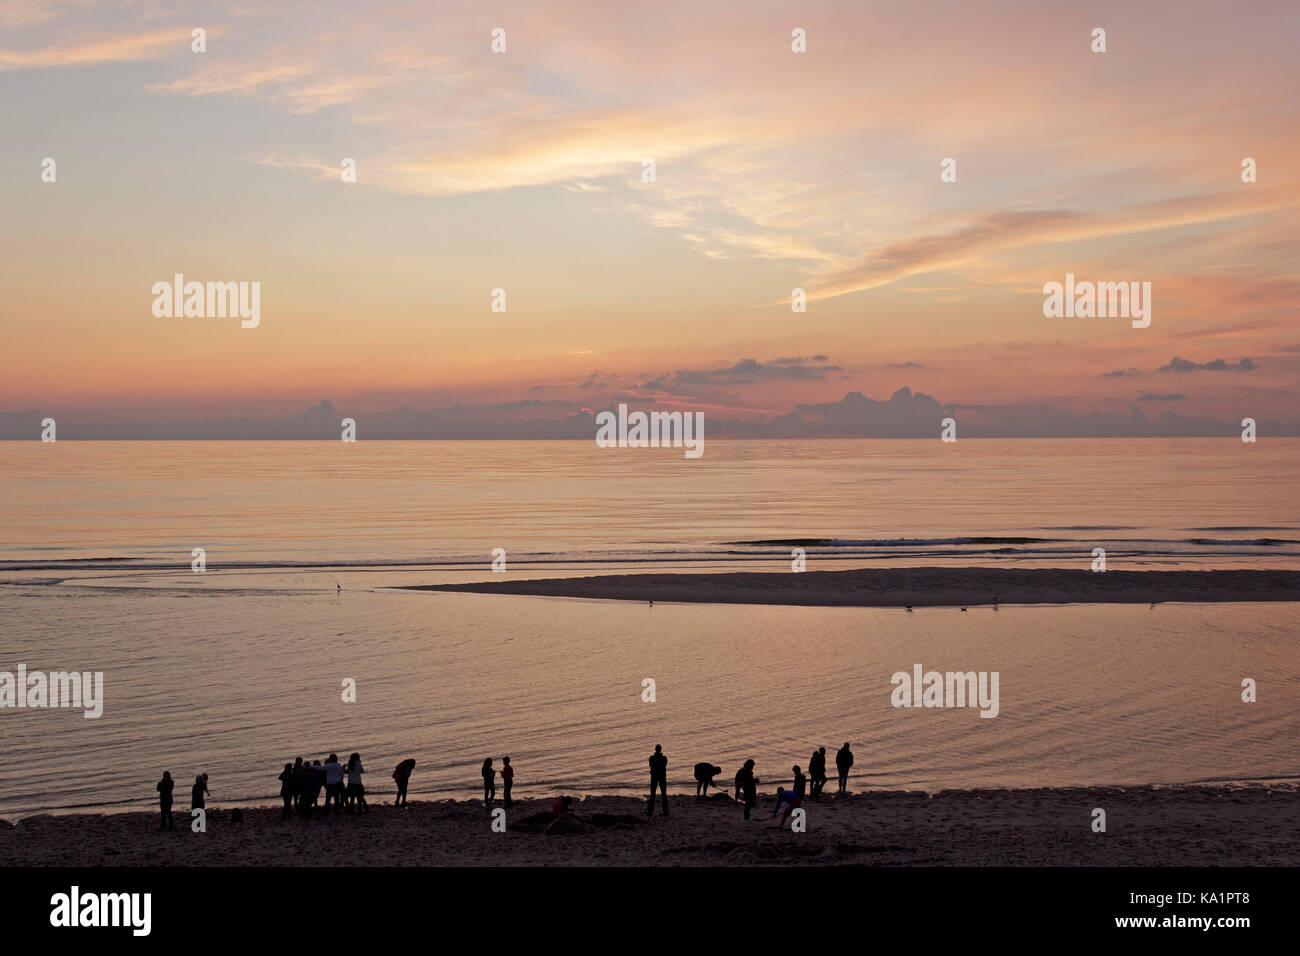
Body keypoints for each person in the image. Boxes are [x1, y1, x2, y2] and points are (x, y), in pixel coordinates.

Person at [647, 744, 669, 817]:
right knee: (663, 794)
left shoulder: (651, 758)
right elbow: (664, 765)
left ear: (655, 749)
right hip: (662, 777)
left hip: (654, 777)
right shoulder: (664, 758)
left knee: (653, 794)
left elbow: (651, 765)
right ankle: (665, 812)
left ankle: (650, 811)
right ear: (660, 750)